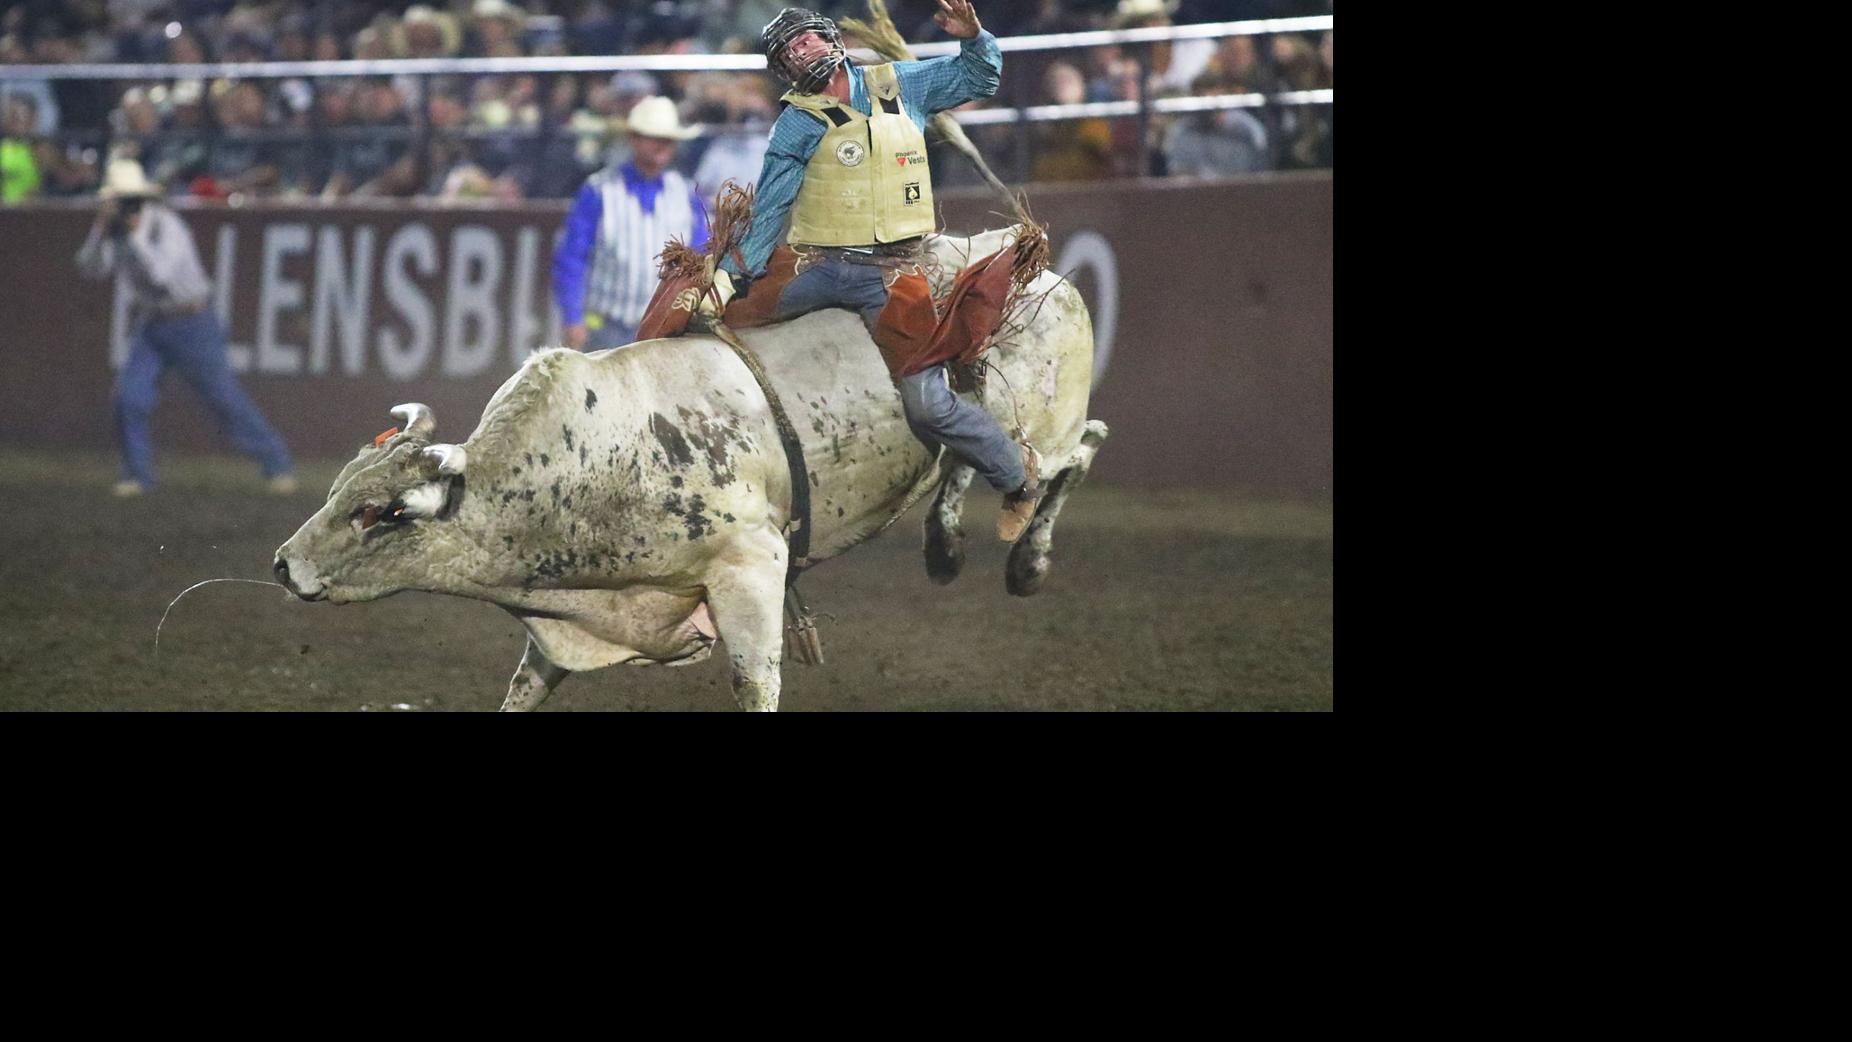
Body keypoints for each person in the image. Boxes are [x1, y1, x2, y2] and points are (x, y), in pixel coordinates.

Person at [710, 2, 1043, 543]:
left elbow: (981, 74)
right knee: (719, 319)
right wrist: (728, 277)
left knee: (927, 404)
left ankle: (1016, 477)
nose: (805, 51)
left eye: (809, 40)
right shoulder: (795, 123)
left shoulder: (899, 84)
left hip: (892, 272)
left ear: (829, 39)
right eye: (791, 50)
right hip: (815, 263)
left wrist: (974, 36)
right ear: (784, 69)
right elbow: (770, 209)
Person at [75, 158, 296, 498]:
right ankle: (137, 475)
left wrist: (134, 237)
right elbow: (91, 268)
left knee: (224, 399)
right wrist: (100, 230)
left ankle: (277, 464)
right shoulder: (118, 233)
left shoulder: (167, 226)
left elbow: (160, 275)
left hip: (192, 321)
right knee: (129, 396)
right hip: (153, 324)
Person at [553, 95, 709, 350]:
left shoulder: (686, 193)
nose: (662, 146)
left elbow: (701, 256)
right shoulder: (599, 190)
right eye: (655, 138)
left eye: (668, 140)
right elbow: (572, 258)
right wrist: (572, 317)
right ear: (634, 139)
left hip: (663, 327)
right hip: (605, 324)